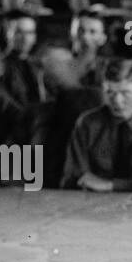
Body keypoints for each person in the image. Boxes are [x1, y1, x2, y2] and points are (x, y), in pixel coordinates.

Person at [63, 58, 132, 193]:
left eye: (125, 93)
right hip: (97, 203)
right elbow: (77, 178)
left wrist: (111, 185)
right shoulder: (88, 123)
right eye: (110, 93)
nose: (117, 101)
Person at [24, 42, 103, 185]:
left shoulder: (90, 100)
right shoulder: (37, 111)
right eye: (40, 68)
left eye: (54, 66)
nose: (45, 74)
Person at [0, 9, 41, 107]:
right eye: (19, 32)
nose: (25, 38)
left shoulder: (39, 65)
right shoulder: (0, 66)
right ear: (7, 34)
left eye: (30, 32)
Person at [71, 10, 109, 87]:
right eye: (81, 30)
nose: (85, 37)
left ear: (103, 38)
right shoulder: (62, 64)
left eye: (92, 32)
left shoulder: (107, 70)